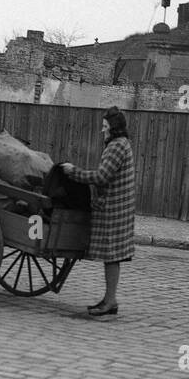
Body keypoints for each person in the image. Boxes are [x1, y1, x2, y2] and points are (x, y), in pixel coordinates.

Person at [60, 106, 135, 317]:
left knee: (112, 254)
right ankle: (109, 299)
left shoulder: (116, 146)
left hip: (114, 208)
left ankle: (110, 301)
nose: (103, 131)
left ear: (114, 128)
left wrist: (73, 172)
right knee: (112, 255)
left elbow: (102, 177)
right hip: (116, 205)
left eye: (105, 127)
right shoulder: (120, 144)